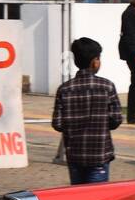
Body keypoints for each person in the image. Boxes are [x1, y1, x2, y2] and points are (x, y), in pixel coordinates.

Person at [52, 37, 123, 185]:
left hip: (75, 156)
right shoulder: (107, 87)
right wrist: (100, 124)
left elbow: (57, 123)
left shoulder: (64, 89)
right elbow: (116, 119)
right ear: (95, 61)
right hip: (99, 156)